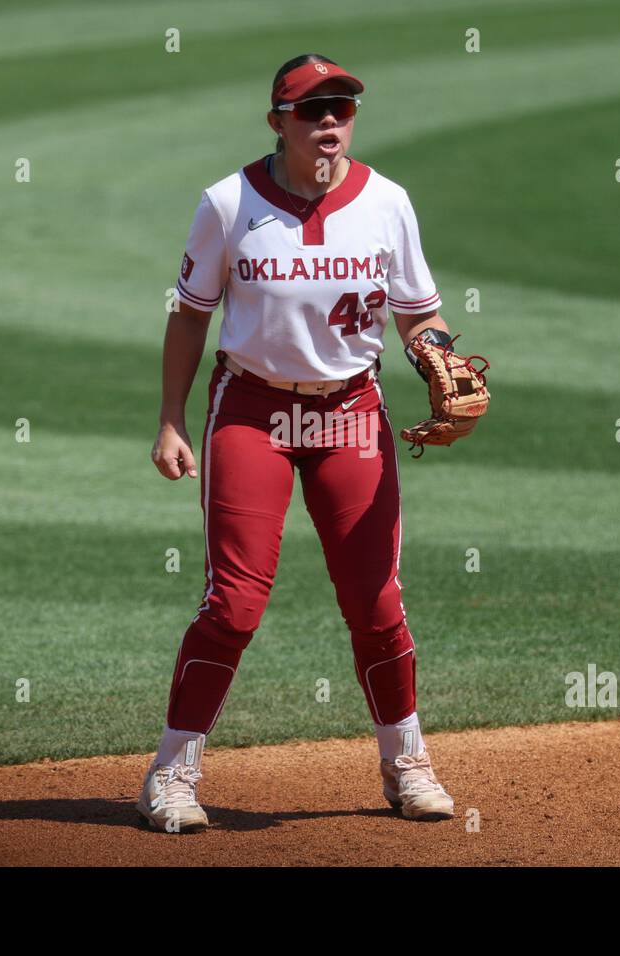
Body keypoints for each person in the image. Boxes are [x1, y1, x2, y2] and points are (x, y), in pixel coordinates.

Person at [141, 53, 466, 832]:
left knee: (376, 600)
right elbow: (191, 313)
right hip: (252, 412)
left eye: (342, 108)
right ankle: (172, 773)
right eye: (312, 109)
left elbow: (420, 314)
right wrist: (171, 418)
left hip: (351, 413)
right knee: (236, 605)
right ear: (277, 122)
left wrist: (441, 360)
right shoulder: (228, 204)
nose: (330, 122)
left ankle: (406, 761)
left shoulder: (387, 202)